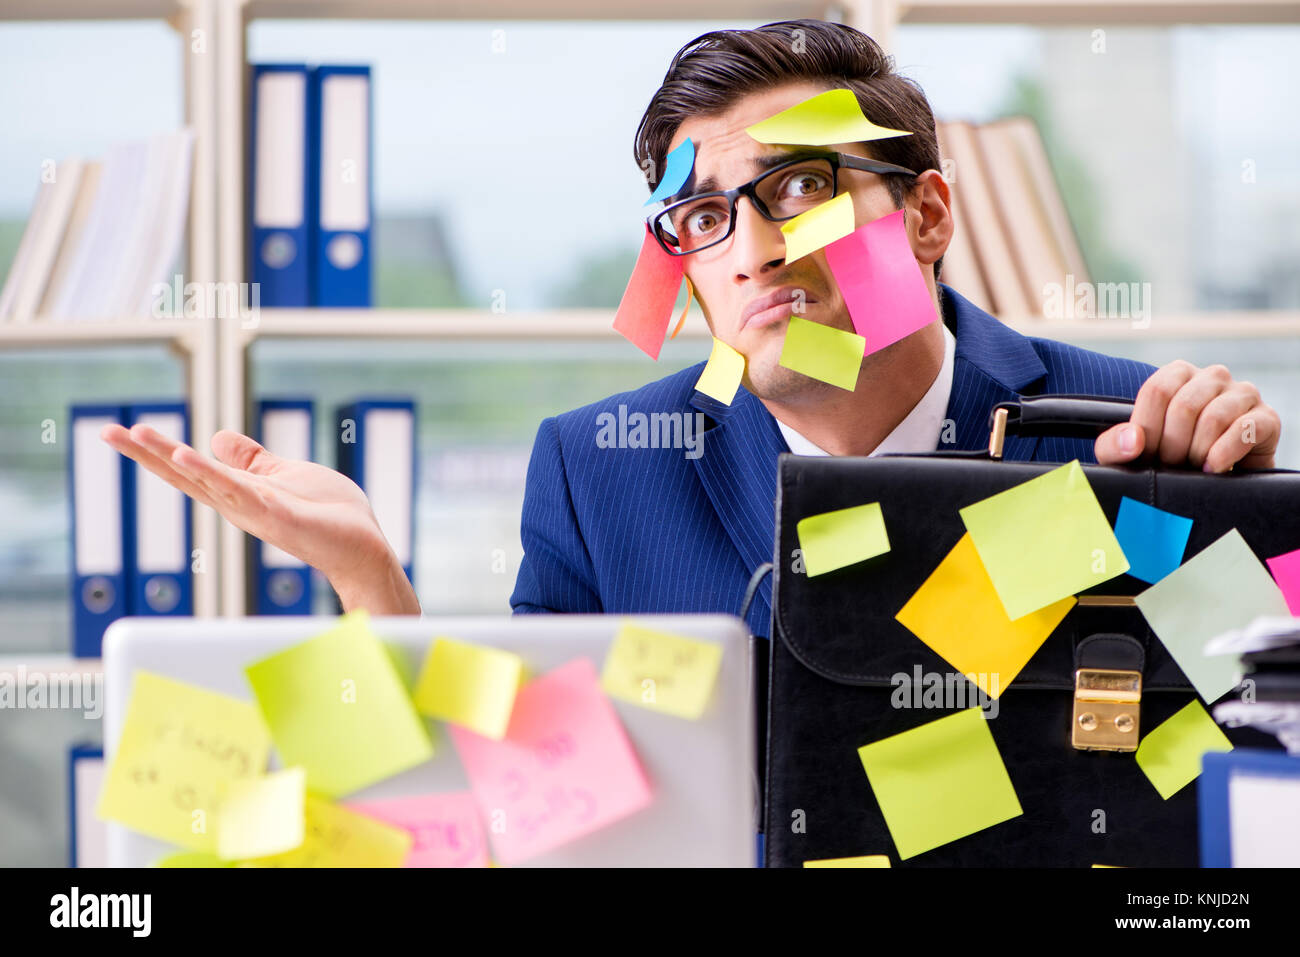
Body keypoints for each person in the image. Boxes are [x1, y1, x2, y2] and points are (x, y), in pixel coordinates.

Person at [100, 20, 1280, 637]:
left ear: (924, 215)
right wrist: (372, 587)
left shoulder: (1126, 435)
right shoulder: (602, 472)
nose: (756, 250)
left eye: (802, 189)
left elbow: (1254, 736)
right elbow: (529, 806)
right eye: (704, 217)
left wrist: (1253, 526)